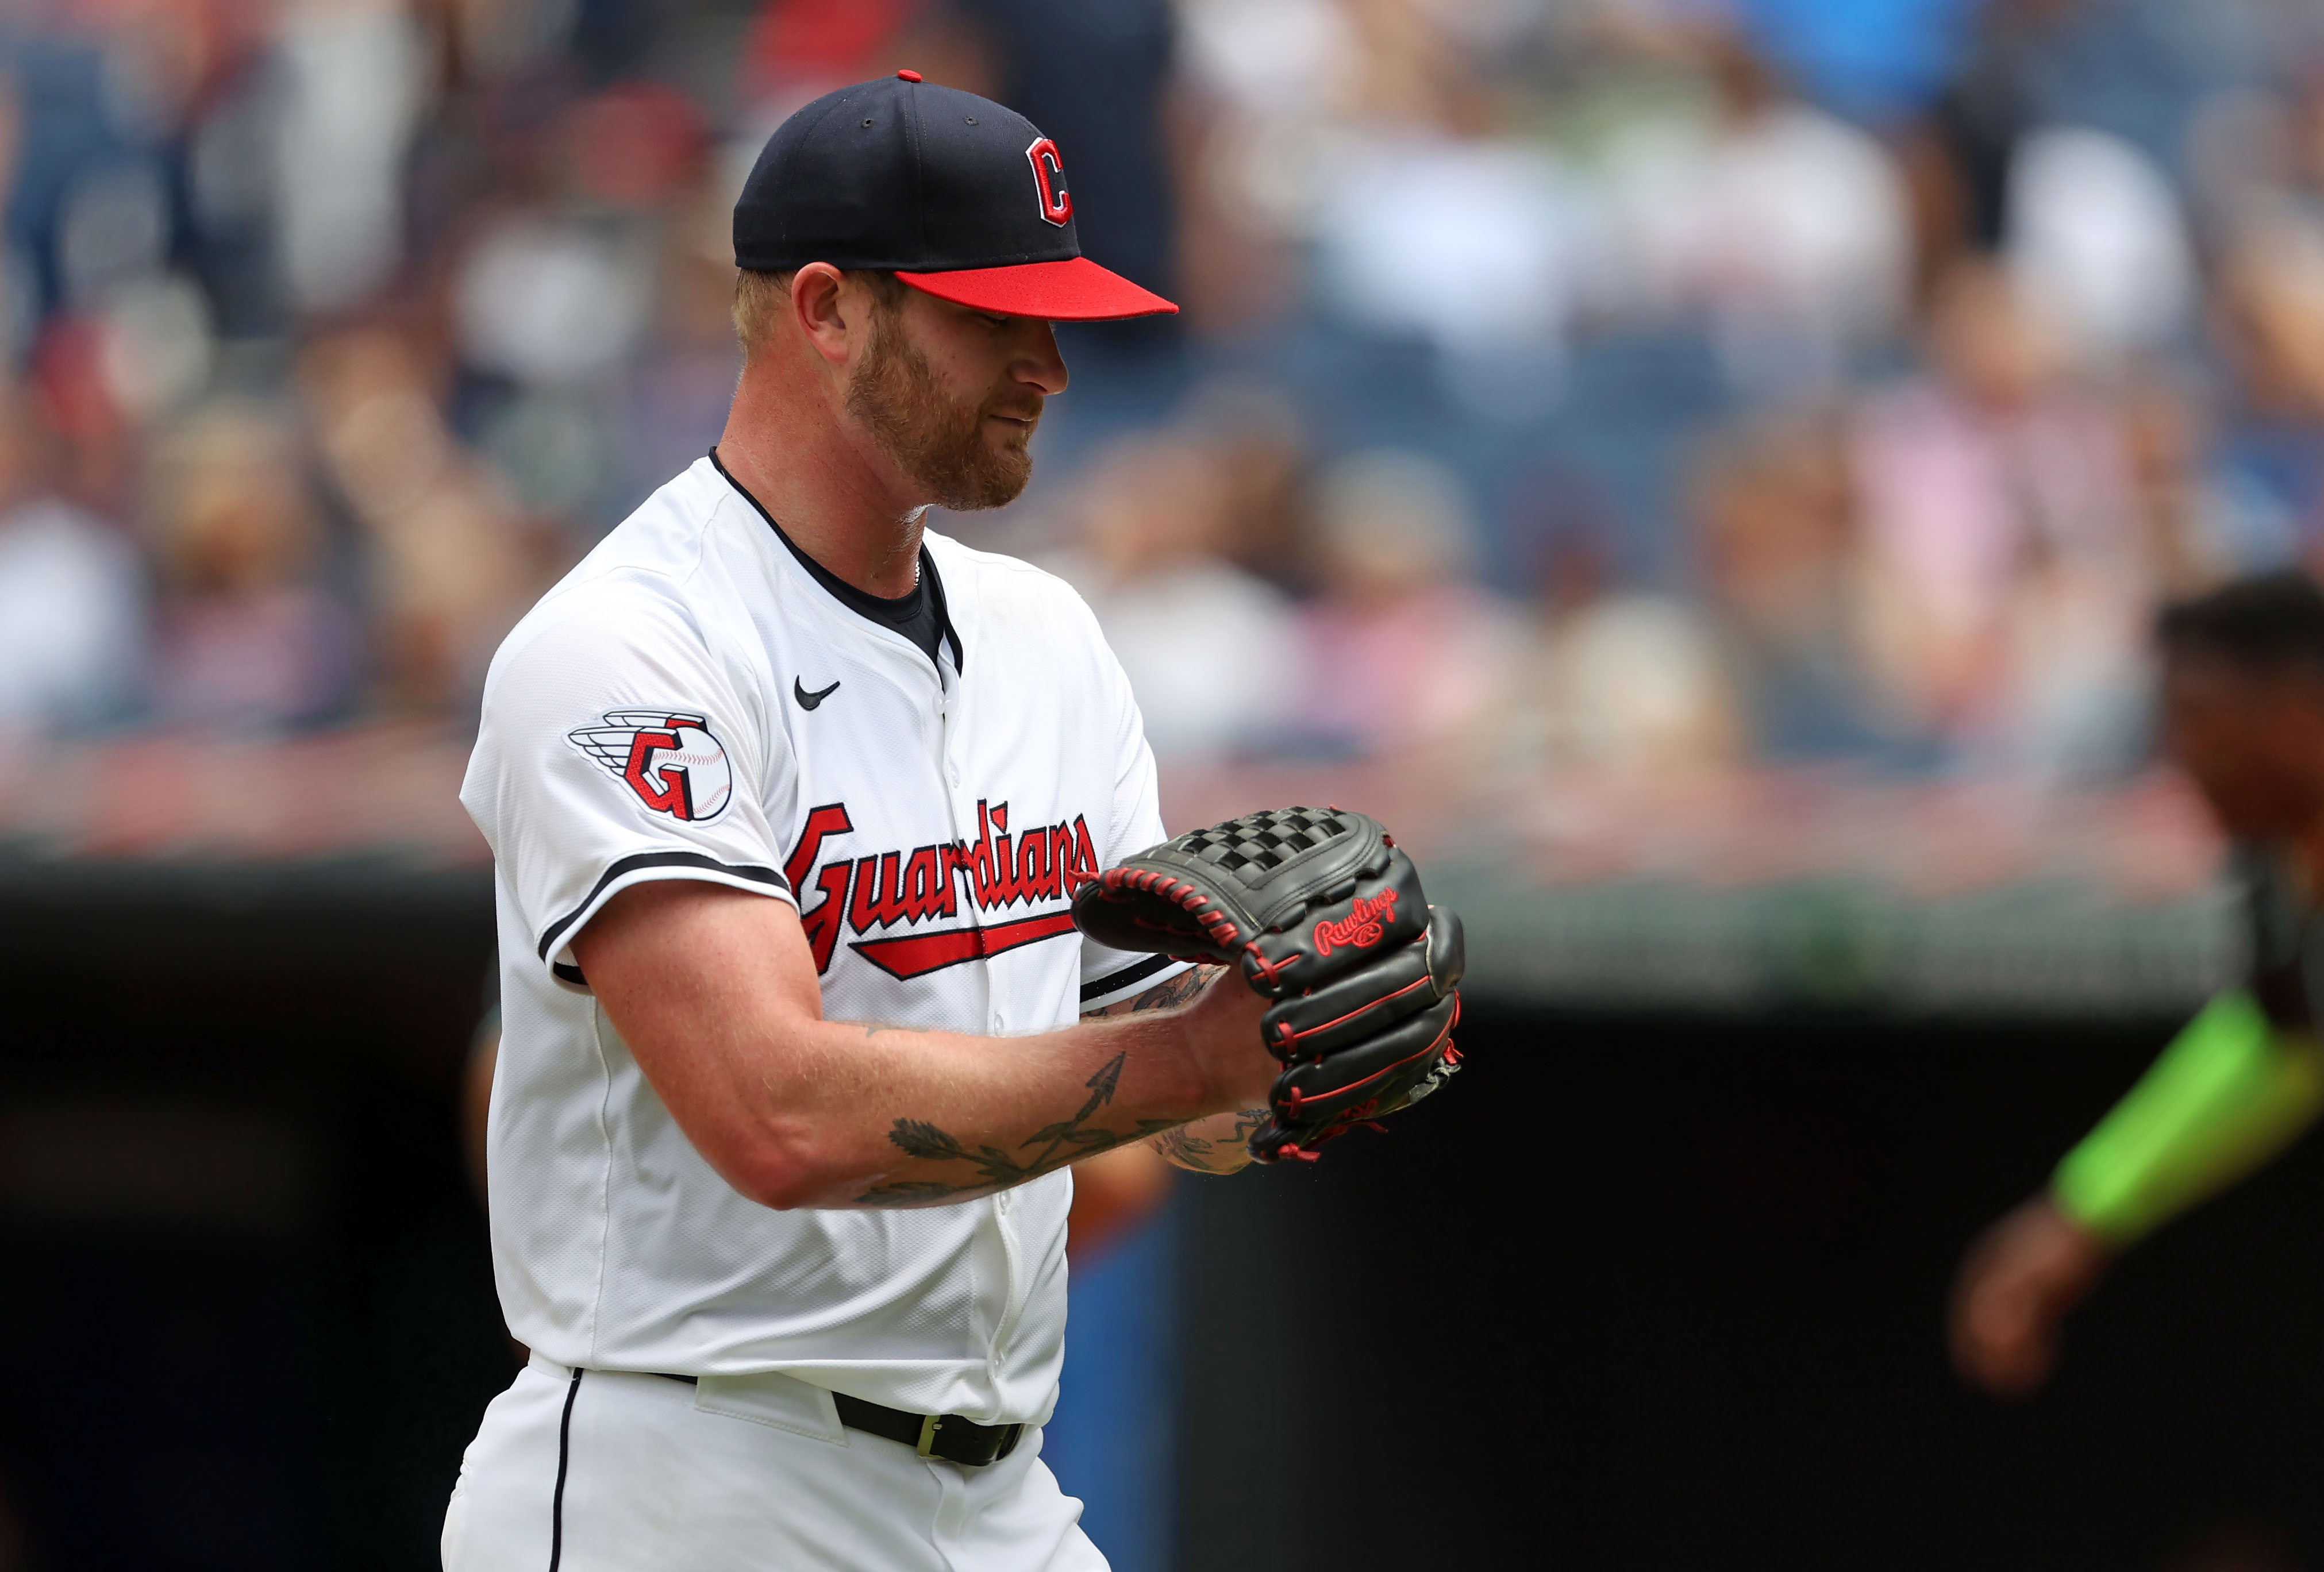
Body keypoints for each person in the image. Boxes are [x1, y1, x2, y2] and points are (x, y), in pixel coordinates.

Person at [442, 75, 1282, 1571]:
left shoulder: (1049, 641)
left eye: (1056, 313)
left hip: (997, 1491)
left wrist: (1283, 1062)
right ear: (825, 308)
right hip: (693, 1474)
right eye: (993, 314)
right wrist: (1178, 1065)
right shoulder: (630, 649)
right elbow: (771, 1113)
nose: (1048, 363)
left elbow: (1135, 1145)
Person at [1951, 571, 2324, 1398]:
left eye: (2198, 718)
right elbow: (2285, 1038)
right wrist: (2088, 1208)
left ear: (2301, 712)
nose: (2181, 754)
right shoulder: (2278, 860)